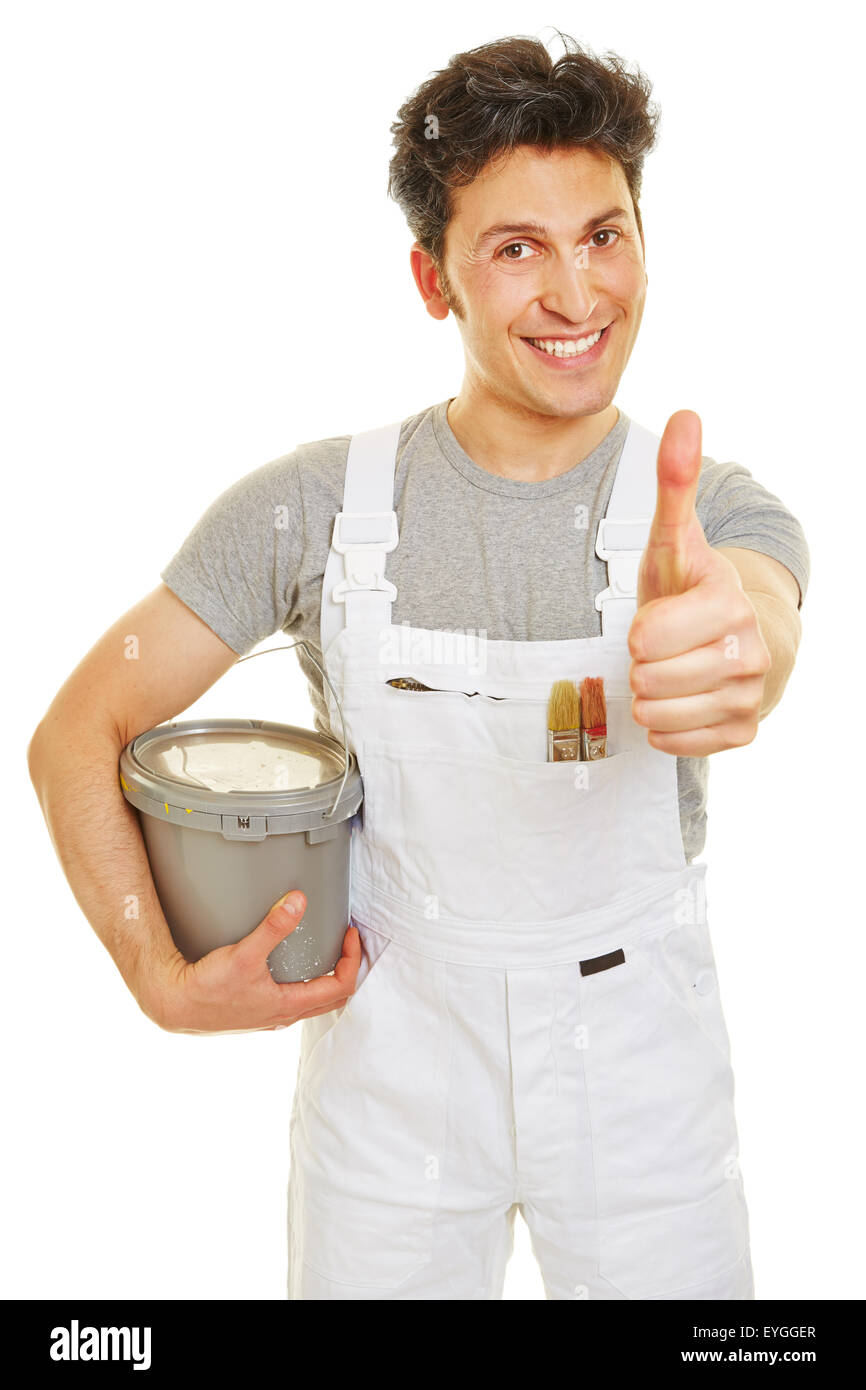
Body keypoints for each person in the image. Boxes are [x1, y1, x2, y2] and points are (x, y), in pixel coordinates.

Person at [28, 33, 808, 1300]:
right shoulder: (309, 511)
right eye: (516, 249)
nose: (574, 292)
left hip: (639, 1077)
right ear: (429, 278)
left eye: (602, 236)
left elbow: (753, 627)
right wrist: (156, 977)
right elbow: (77, 732)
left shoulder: (713, 516)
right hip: (391, 1067)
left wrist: (733, 651)